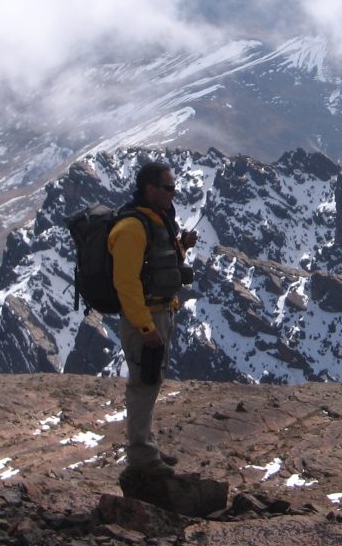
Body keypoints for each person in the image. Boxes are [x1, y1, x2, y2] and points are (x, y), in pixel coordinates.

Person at [108, 161, 198, 477]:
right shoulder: (132, 228)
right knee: (143, 383)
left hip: (161, 312)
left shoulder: (157, 220)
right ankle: (142, 457)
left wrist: (182, 246)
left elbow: (158, 263)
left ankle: (147, 447)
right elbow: (126, 283)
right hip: (145, 319)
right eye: (168, 187)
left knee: (152, 380)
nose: (174, 193)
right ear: (150, 190)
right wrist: (145, 326)